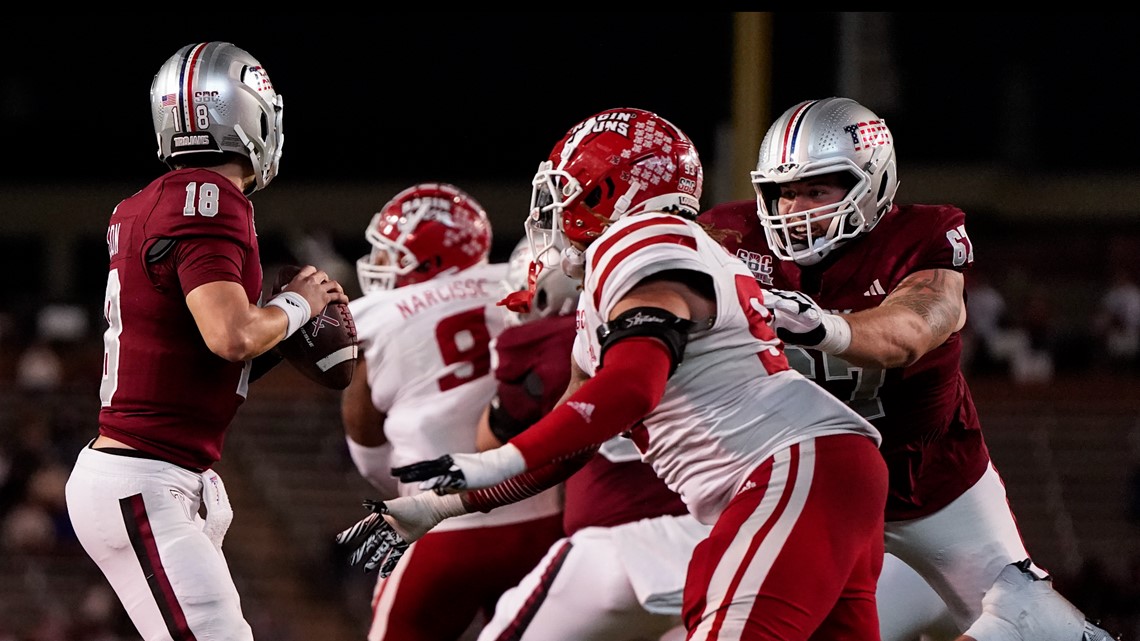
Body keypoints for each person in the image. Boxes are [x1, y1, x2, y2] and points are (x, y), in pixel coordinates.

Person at [337, 107, 890, 641]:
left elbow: (632, 386)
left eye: (564, 190)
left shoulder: (640, 238)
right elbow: (570, 444)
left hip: (788, 468)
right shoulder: (628, 275)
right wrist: (443, 505)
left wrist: (493, 461)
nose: (552, 210)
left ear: (607, 192)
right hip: (816, 470)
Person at [698, 96, 1117, 641]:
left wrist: (824, 326)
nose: (794, 209)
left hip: (934, 484)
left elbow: (917, 325)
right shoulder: (727, 238)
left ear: (872, 185)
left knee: (1034, 621)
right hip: (807, 487)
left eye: (816, 191)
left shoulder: (922, 237)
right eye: (784, 191)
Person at [64, 42, 349, 641]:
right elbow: (231, 336)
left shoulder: (146, 202)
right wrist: (299, 304)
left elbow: (200, 354)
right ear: (250, 115)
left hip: (149, 474)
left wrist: (283, 332)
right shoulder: (210, 200)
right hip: (143, 478)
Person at [339, 183, 564, 641]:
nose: (378, 264)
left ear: (426, 260)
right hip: (540, 516)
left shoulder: (379, 314)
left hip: (441, 527)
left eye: (389, 254)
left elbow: (368, 451)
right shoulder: (524, 276)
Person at [475, 238, 706, 641]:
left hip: (617, 548)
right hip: (714, 542)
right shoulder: (715, 319)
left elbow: (488, 443)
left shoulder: (547, 344)